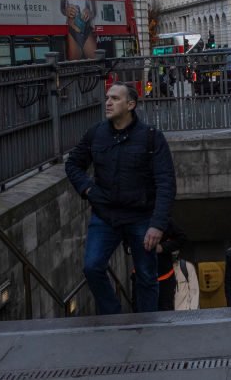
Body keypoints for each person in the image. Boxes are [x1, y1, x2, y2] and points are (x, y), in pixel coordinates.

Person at [66, 82, 176, 314]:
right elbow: (73, 164)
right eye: (107, 98)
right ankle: (114, 317)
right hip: (105, 215)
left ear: (131, 105)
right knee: (92, 267)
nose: (108, 102)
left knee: (146, 276)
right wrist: (88, 190)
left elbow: (166, 183)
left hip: (140, 217)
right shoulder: (96, 133)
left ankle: (145, 324)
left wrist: (157, 225)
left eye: (115, 99)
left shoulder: (151, 137)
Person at [153, 217, 187, 312]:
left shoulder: (164, 221)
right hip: (141, 277)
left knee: (165, 312)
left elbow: (181, 237)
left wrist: (162, 247)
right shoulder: (134, 218)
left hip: (164, 277)